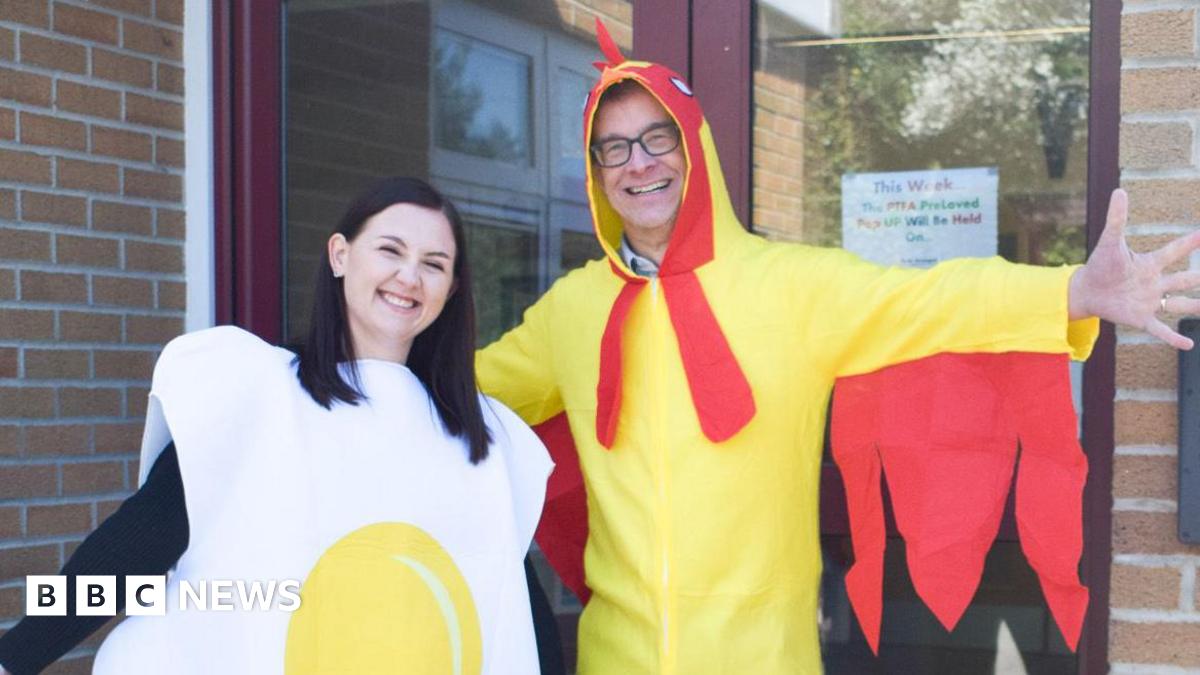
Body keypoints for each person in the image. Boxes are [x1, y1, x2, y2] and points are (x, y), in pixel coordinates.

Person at [475, 25, 1200, 674]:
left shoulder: (794, 286)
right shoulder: (570, 310)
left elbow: (933, 301)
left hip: (765, 659)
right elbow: (461, 391)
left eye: (657, 137)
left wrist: (1074, 290)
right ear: (597, 172)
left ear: (693, 145)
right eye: (614, 147)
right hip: (614, 659)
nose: (639, 163)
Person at [0, 177, 561, 674]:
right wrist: (15, 656)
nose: (409, 276)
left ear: (452, 288)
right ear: (340, 255)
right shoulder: (258, 394)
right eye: (390, 250)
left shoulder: (481, 439)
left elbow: (513, 612)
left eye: (434, 264)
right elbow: (134, 544)